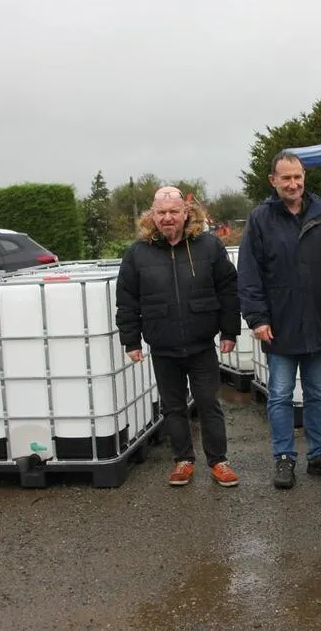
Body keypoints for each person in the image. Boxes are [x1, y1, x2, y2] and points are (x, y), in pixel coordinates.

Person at [238, 150, 321, 490]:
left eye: (297, 176)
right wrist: (257, 318)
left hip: (317, 320)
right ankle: (284, 458)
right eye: (285, 177)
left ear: (304, 178)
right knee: (280, 395)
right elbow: (249, 274)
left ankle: (318, 456)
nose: (293, 183)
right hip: (280, 324)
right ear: (273, 180)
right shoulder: (260, 219)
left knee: (318, 392)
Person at [116, 186, 241, 488]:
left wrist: (229, 330)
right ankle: (183, 460)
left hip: (201, 344)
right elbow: (127, 300)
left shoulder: (209, 246)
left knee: (208, 403)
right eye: (161, 212)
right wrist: (131, 341)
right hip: (163, 345)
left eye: (174, 212)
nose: (168, 218)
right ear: (152, 215)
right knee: (172, 407)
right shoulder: (137, 254)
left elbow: (228, 289)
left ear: (186, 214)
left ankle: (218, 461)